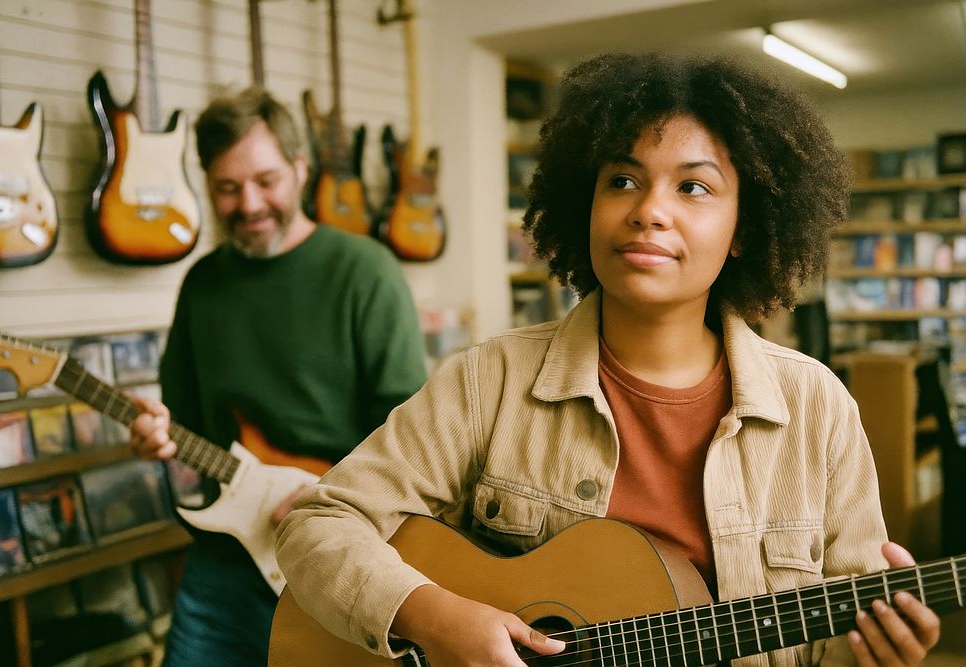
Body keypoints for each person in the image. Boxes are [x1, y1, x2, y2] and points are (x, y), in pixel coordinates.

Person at [276, 53, 942, 666]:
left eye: (695, 188)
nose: (648, 210)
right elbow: (318, 524)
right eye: (623, 179)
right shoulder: (491, 381)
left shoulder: (817, 407)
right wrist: (432, 615)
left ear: (745, 230)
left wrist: (880, 650)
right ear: (585, 204)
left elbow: (843, 637)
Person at [127, 86, 428, 666]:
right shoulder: (203, 282)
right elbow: (183, 423)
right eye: (228, 187)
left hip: (340, 553)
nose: (249, 204)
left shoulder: (365, 270)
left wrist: (329, 496)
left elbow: (409, 434)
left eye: (266, 181)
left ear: (300, 169)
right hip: (223, 562)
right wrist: (156, 438)